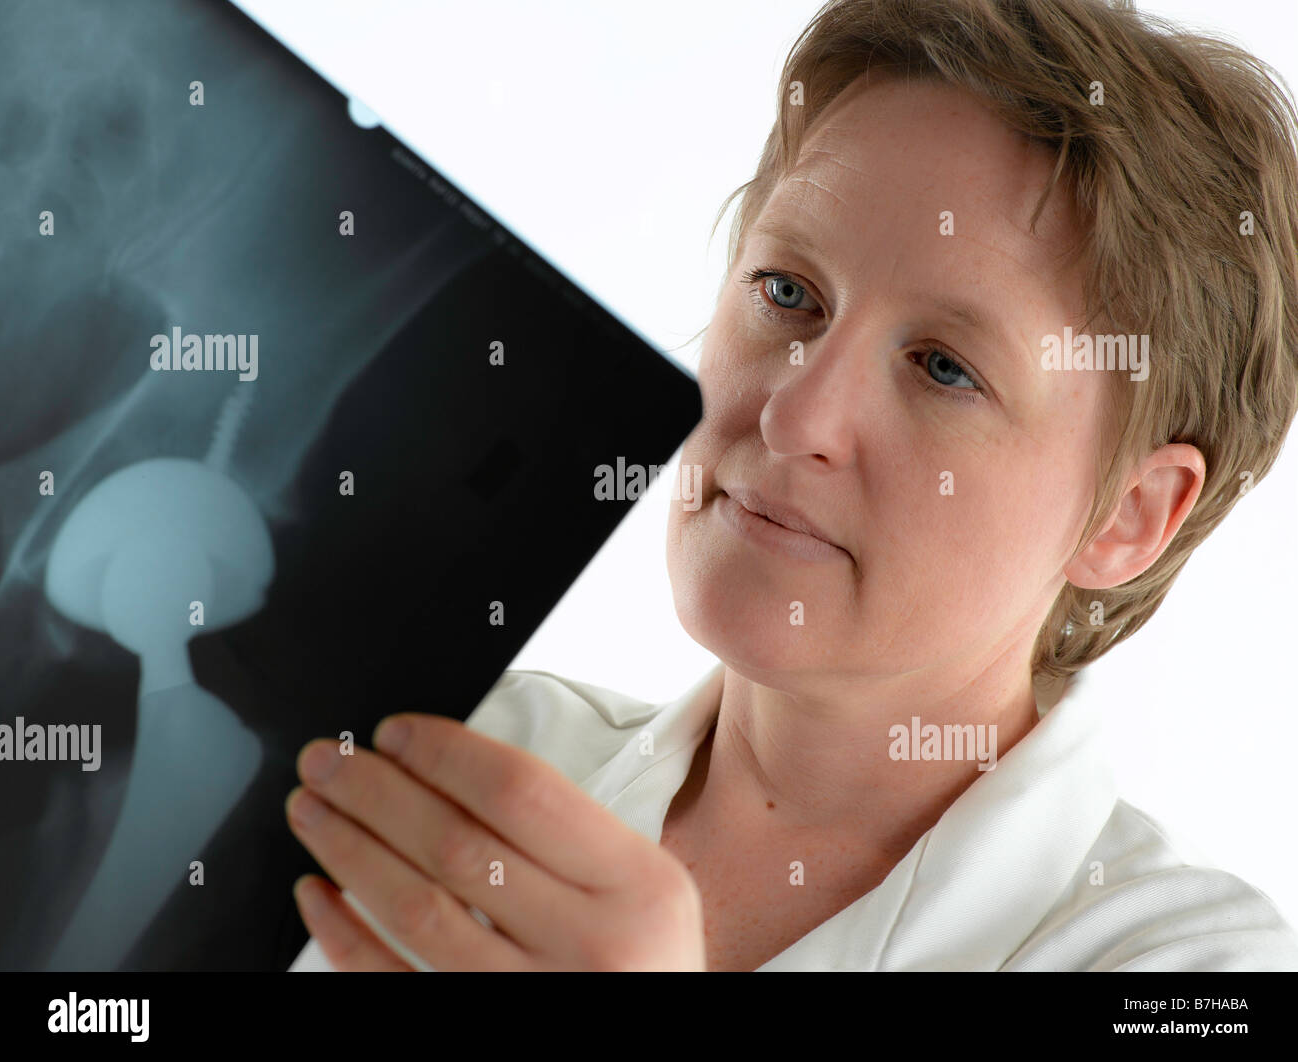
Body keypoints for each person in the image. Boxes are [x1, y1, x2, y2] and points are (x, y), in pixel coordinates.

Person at [284, 0, 1298, 971]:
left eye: (944, 367)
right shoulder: (444, 754)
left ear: (1128, 516)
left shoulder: (1189, 968)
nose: (793, 417)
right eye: (788, 294)